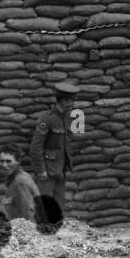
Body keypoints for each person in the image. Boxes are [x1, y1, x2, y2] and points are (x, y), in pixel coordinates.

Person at [30, 80, 78, 214]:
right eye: (70, 101)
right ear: (63, 100)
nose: (72, 104)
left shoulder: (67, 118)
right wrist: (41, 170)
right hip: (47, 169)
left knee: (59, 202)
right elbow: (35, 147)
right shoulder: (47, 119)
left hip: (60, 167)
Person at [0, 148, 41, 223]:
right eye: (2, 161)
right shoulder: (12, 180)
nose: (4, 165)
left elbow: (28, 214)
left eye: (8, 161)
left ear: (18, 162)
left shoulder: (20, 181)